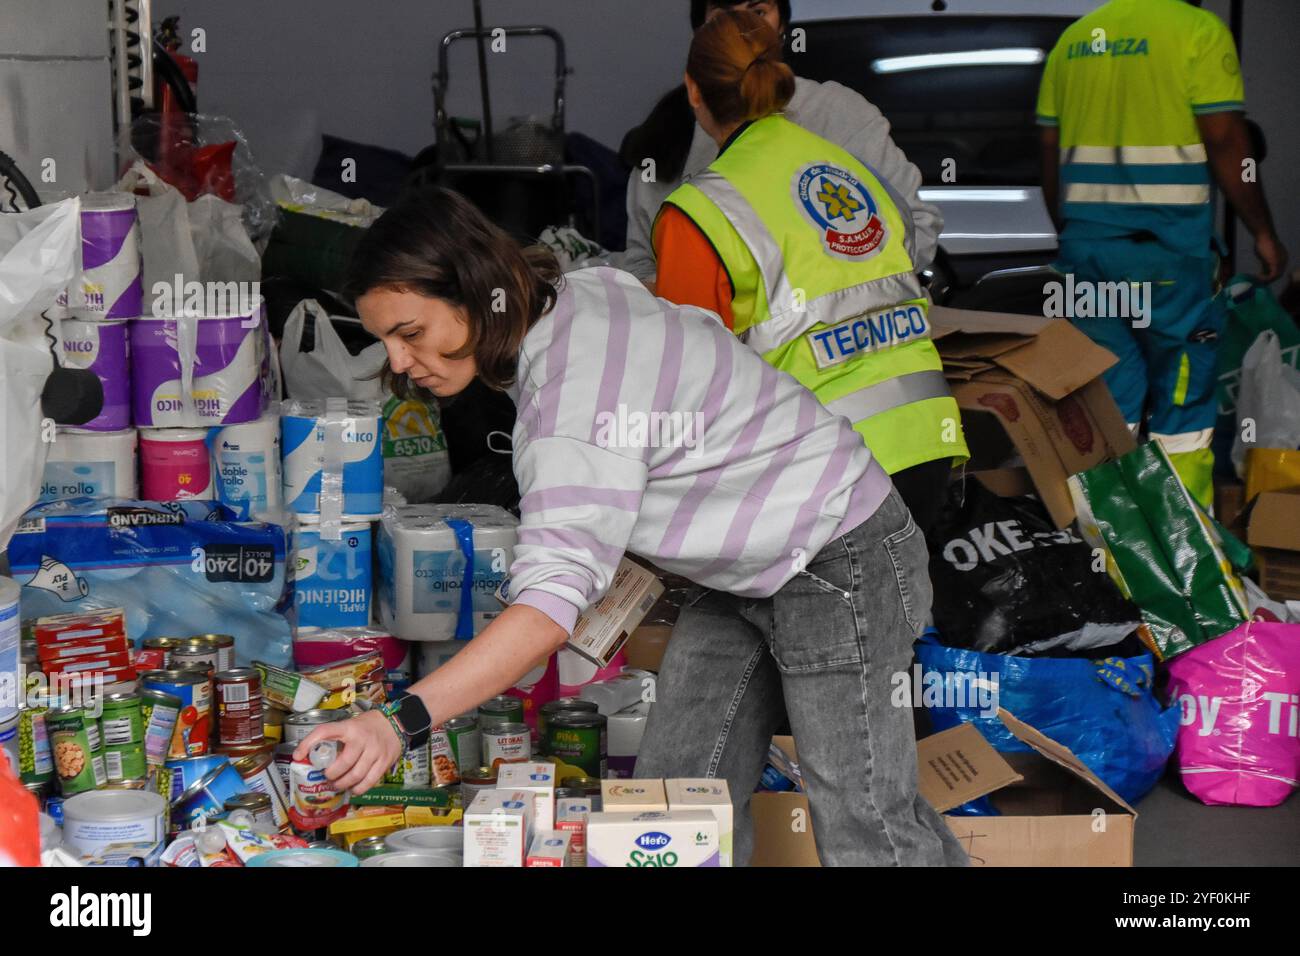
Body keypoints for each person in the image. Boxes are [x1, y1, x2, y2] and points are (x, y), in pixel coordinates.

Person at [294, 187, 968, 868]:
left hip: (836, 551)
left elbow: (548, 611)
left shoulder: (571, 401)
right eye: (385, 340)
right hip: (744, 571)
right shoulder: (572, 297)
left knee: (864, 820)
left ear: (476, 291)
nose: (400, 362)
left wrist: (397, 721)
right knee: (674, 800)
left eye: (410, 333)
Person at [652, 10, 967, 533]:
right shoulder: (855, 173)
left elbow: (686, 384)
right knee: (898, 613)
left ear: (692, 90)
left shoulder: (702, 211)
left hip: (820, 474)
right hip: (925, 445)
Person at [1038, 0, 1288, 508]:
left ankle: (1109, 557)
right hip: (1169, 257)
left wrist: (1072, 229)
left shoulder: (1076, 39)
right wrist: (1261, 230)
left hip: (1090, 257)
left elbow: (1049, 149)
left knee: (1106, 405)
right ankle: (1185, 559)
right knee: (1183, 404)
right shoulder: (1197, 31)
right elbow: (1224, 138)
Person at [621, 0, 943, 285]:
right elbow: (640, 262)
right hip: (713, 346)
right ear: (698, 36)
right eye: (724, 15)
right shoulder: (664, 137)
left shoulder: (840, 113)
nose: (743, 29)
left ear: (783, 26)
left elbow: (918, 230)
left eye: (758, 11)